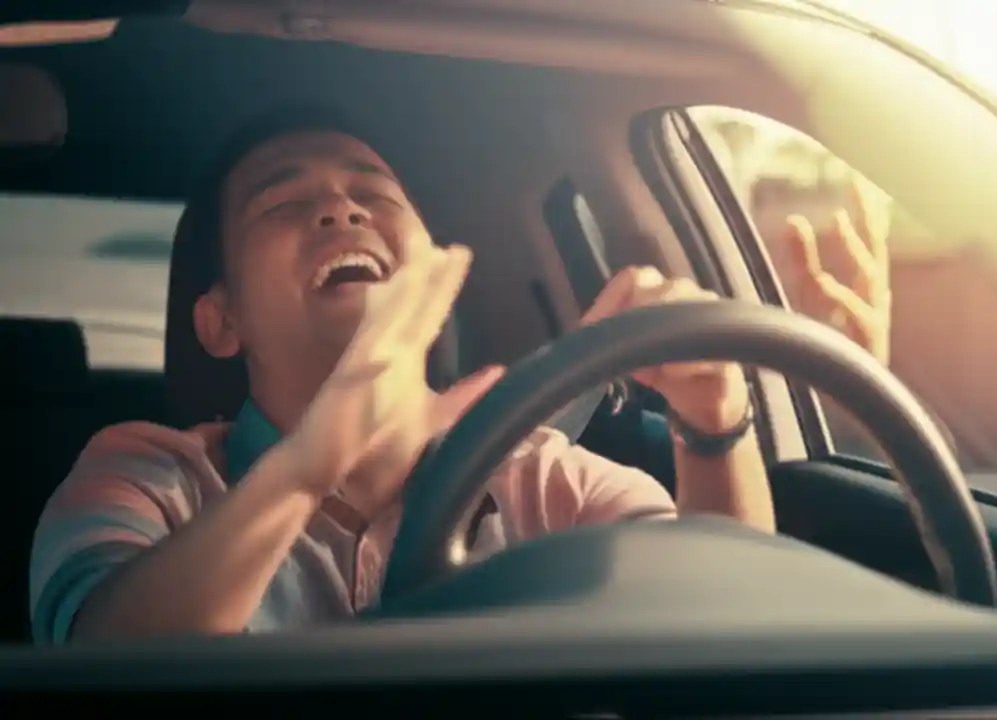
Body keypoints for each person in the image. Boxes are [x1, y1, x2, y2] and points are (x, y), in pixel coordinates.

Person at [27, 109, 776, 645]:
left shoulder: (548, 480)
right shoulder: (147, 474)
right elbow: (105, 670)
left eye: (376, 194)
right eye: (283, 203)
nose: (339, 209)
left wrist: (714, 423)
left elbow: (726, 650)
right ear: (222, 322)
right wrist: (307, 466)